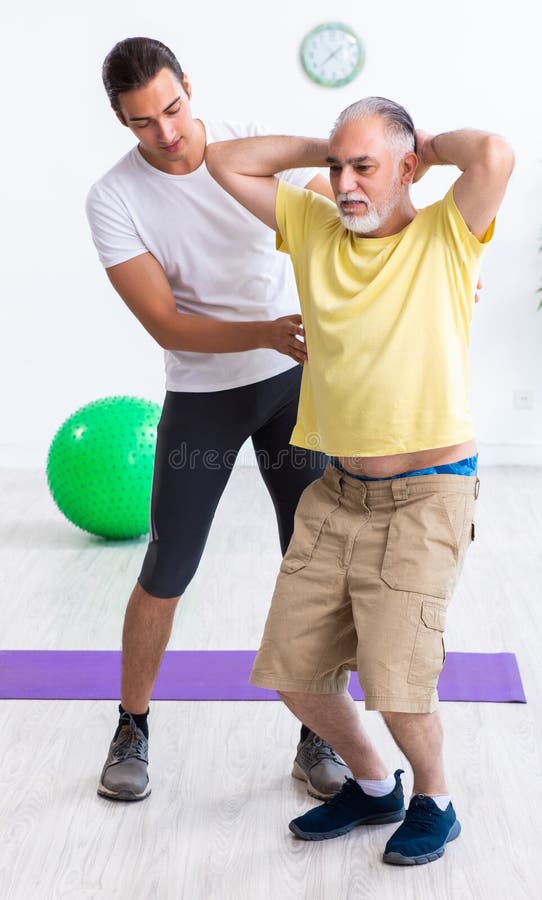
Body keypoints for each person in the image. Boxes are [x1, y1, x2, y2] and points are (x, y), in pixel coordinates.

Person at [206, 97, 513, 865]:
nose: (343, 183)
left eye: (364, 167)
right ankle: (375, 786)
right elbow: (224, 161)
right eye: (336, 168)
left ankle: (435, 801)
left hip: (429, 493)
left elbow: (494, 155)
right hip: (337, 492)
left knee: (396, 680)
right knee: (295, 673)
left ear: (406, 169)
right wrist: (332, 147)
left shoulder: (446, 234)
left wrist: (424, 145)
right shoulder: (313, 227)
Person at [85, 36, 352, 803]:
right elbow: (166, 323)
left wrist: (431, 261)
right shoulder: (114, 198)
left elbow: (347, 210)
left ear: (189, 88)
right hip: (205, 394)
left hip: (293, 388)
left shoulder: (251, 142)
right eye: (143, 122)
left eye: (172, 108)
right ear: (121, 120)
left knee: (312, 566)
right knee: (168, 566)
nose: (166, 132)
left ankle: (320, 733)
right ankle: (132, 724)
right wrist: (266, 332)